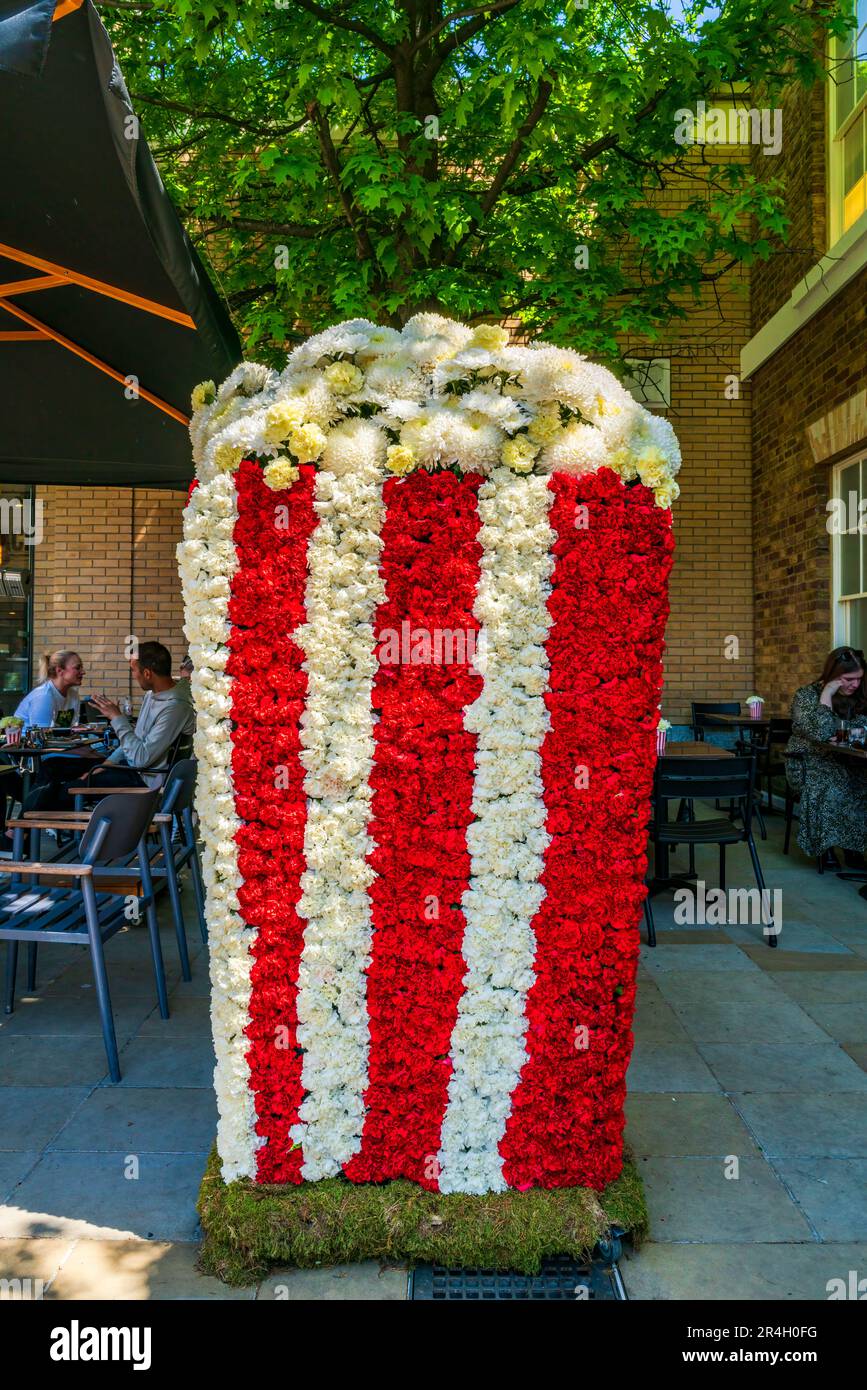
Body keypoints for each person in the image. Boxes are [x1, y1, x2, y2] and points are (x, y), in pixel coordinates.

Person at [22, 642, 194, 813]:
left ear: (147, 673)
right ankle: (20, 830)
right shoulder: (153, 695)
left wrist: (117, 718)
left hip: (145, 779)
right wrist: (105, 764)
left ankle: (19, 830)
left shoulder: (175, 707)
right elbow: (134, 741)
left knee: (60, 793)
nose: (133, 676)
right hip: (133, 767)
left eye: (134, 670)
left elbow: (141, 759)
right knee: (53, 765)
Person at [785, 646, 867, 866]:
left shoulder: (859, 697)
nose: (855, 685)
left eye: (859, 679)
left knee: (861, 783)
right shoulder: (805, 696)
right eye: (849, 679)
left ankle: (853, 845)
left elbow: (862, 730)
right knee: (832, 783)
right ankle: (825, 845)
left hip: (849, 760)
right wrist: (827, 693)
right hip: (808, 761)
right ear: (833, 675)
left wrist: (841, 733)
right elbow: (821, 732)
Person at [14, 650, 84, 729]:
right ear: (59, 671)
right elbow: (41, 738)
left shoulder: (73, 694)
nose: (83, 672)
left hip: (55, 740)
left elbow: (66, 730)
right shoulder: (43, 696)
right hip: (26, 741)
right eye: (77, 668)